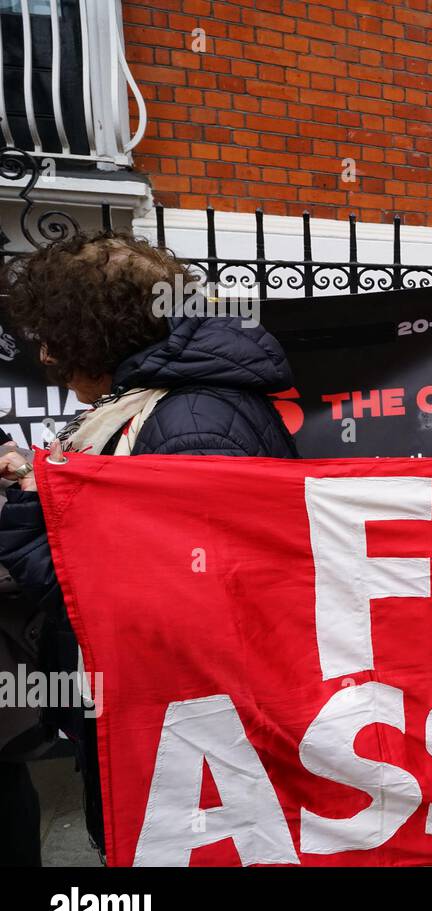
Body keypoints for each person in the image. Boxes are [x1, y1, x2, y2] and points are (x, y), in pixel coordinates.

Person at [0, 231, 299, 856]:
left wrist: (31, 520)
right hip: (165, 736)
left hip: (184, 748)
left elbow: (169, 617)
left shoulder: (190, 424)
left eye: (56, 339)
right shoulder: (162, 407)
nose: (48, 357)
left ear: (98, 338)